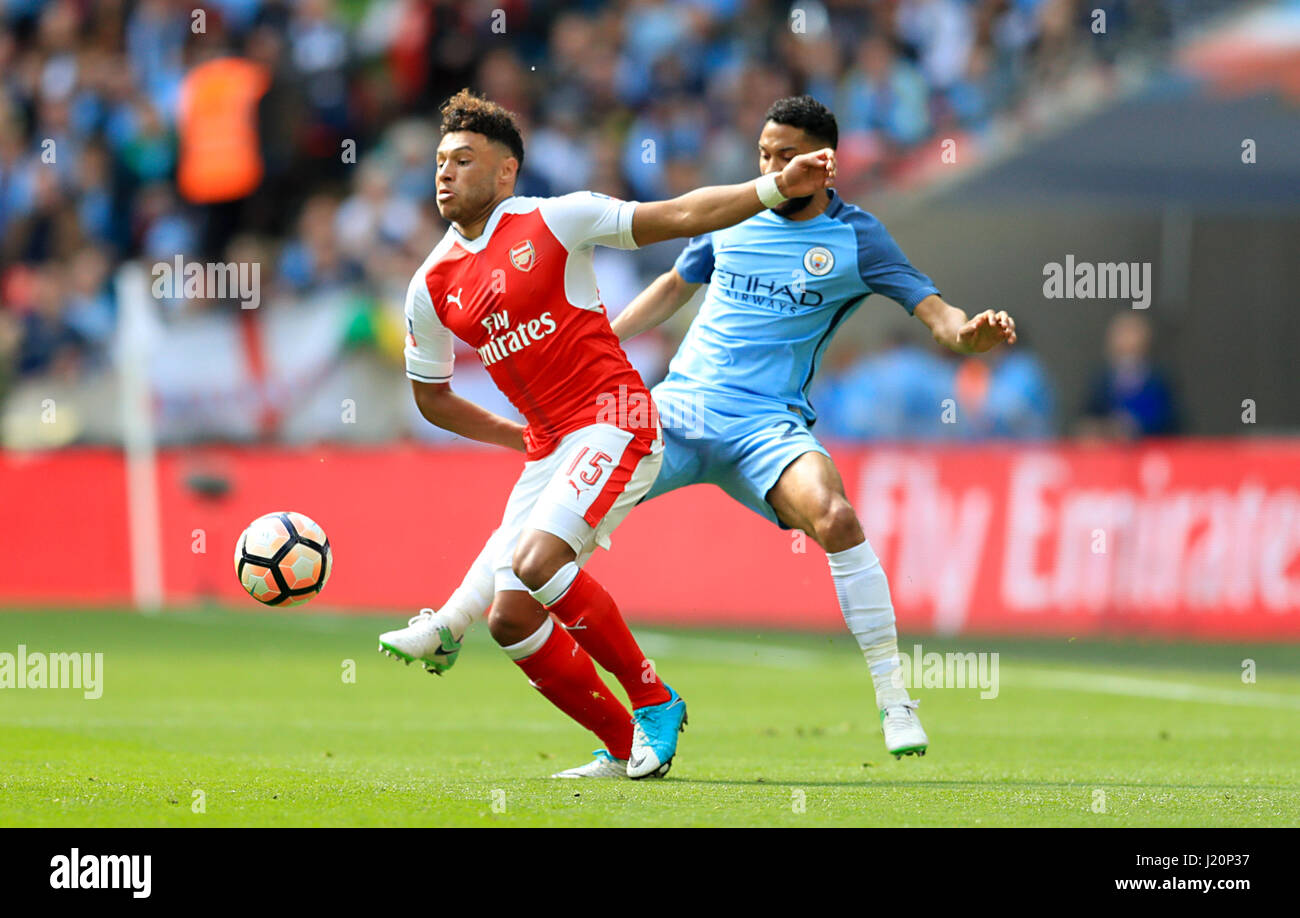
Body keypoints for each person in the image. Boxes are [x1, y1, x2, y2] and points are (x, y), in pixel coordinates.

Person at [390, 95, 1016, 775]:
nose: (772, 166)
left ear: (821, 164)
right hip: (677, 411)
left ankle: (895, 701)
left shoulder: (857, 238)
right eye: (764, 155)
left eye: (786, 156)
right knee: (520, 588)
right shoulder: (735, 219)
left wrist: (964, 333)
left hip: (763, 426)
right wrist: (600, 338)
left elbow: (934, 311)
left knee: (834, 516)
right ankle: (597, 721)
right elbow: (671, 285)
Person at [377, 90, 837, 779]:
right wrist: (512, 436)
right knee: (510, 617)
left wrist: (773, 187)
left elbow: (680, 215)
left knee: (534, 564)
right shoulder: (431, 283)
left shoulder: (557, 220)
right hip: (551, 440)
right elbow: (432, 398)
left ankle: (656, 698)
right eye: (440, 161)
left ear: (505, 172)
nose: (444, 172)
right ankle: (623, 749)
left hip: (616, 416)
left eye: (463, 160)